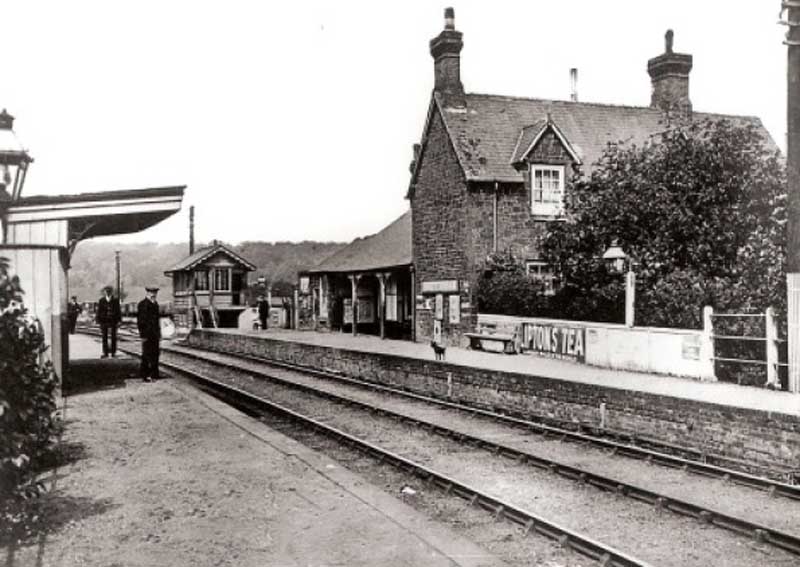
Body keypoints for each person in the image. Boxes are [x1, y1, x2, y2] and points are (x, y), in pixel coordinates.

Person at [137, 285, 161, 382]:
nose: (154, 294)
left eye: (155, 293)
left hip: (155, 334)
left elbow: (157, 321)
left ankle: (154, 373)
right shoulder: (142, 304)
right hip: (147, 334)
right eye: (152, 292)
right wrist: (142, 335)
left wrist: (159, 333)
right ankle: (145, 374)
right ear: (147, 293)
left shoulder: (156, 304)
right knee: (146, 354)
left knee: (155, 353)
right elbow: (140, 321)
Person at [96, 286, 121, 358]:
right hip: (104, 321)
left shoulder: (115, 300)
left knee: (114, 337)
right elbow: (99, 311)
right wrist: (98, 320)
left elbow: (118, 311)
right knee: (104, 337)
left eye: (109, 291)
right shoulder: (101, 300)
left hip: (113, 320)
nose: (107, 292)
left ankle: (113, 352)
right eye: (106, 291)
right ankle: (105, 352)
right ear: (104, 292)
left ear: (111, 292)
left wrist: (119, 320)